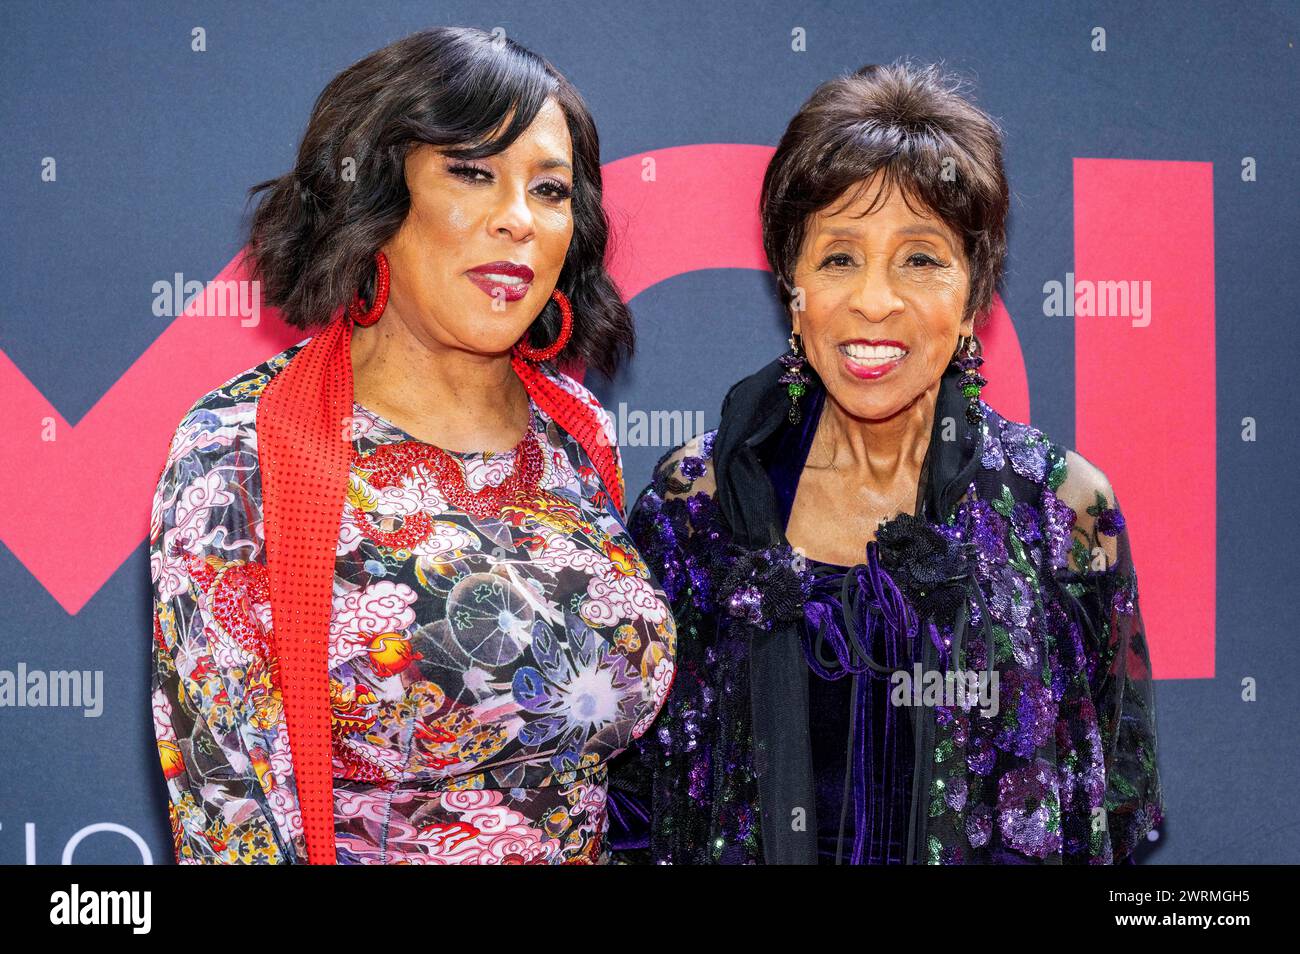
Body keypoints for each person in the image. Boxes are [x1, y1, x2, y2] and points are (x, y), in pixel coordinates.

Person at [608, 60, 1163, 864]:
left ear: (974, 296)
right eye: (838, 258)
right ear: (791, 287)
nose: (875, 299)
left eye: (920, 258)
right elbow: (635, 807)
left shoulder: (1062, 510)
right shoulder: (694, 506)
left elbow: (1104, 801)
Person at [148, 26, 675, 864]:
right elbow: (229, 813)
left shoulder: (577, 430)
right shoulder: (240, 451)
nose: (517, 221)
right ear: (376, 195)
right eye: (472, 173)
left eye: (550, 190)